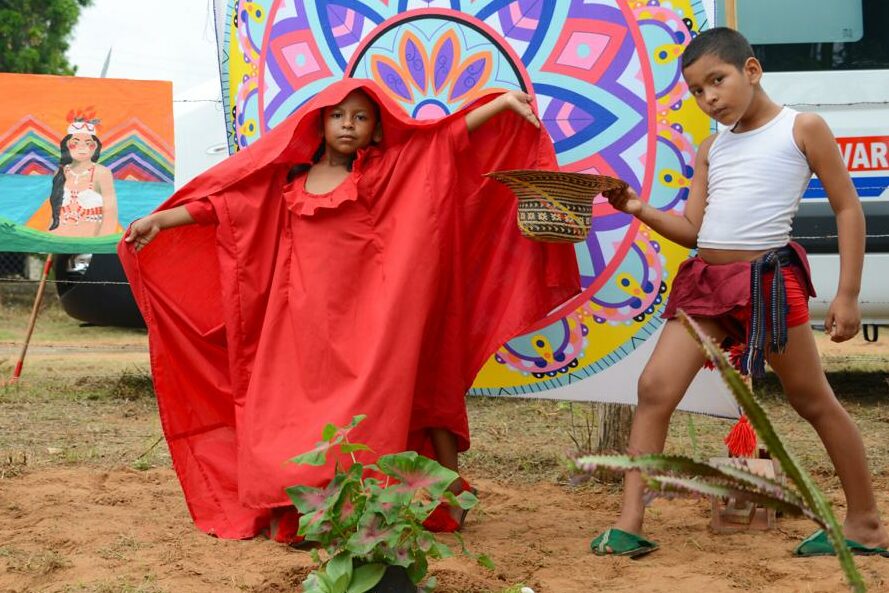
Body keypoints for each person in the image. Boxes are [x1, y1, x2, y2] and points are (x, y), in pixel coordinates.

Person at [119, 77, 580, 542]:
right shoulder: (288, 180)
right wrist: (160, 219)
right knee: (290, 414)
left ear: (377, 130)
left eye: (361, 117)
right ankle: (303, 504)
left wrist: (499, 106)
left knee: (393, 405)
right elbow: (222, 206)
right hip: (300, 322)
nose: (348, 124)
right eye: (339, 115)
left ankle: (419, 499)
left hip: (370, 323)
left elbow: (441, 144)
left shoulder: (382, 173)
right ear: (319, 124)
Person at [590, 27, 889, 558]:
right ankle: (631, 522)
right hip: (708, 283)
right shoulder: (711, 149)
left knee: (812, 400)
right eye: (698, 92)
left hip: (766, 285)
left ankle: (865, 522)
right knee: (655, 388)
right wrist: (638, 208)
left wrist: (848, 294)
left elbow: (848, 207)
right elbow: (694, 230)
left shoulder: (802, 127)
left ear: (751, 71)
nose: (709, 99)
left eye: (717, 82)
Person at [47, 114, 119, 236]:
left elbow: (110, 215)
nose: (82, 148)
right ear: (66, 145)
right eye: (75, 143)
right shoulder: (60, 172)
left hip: (90, 243)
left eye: (88, 143)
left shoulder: (102, 173)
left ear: (95, 147)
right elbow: (54, 213)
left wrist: (100, 246)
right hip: (59, 240)